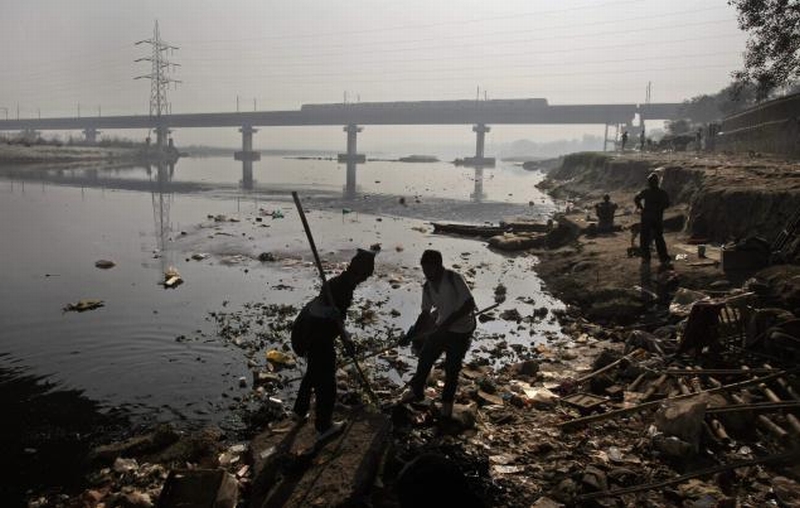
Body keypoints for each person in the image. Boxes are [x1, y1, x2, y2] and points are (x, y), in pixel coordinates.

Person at [292, 248, 375, 442]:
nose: (363, 280)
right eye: (364, 276)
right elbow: (325, 313)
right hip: (315, 334)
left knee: (313, 372)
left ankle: (298, 411)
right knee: (327, 382)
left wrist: (345, 337)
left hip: (313, 332)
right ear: (358, 272)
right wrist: (342, 333)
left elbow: (337, 319)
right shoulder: (340, 287)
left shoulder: (342, 283)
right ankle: (324, 426)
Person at [400, 250, 476, 418]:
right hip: (441, 328)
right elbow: (425, 314)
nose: (427, 274)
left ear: (439, 266)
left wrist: (448, 323)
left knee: (452, 369)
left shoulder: (453, 278)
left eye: (430, 269)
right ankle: (417, 391)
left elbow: (470, 304)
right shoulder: (427, 286)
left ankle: (447, 407)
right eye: (424, 270)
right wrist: (410, 335)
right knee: (425, 357)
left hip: (461, 331)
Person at [634, 172, 671, 266]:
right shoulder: (662, 193)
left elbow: (636, 198)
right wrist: (659, 208)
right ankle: (663, 257)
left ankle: (646, 256)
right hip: (657, 217)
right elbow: (667, 204)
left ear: (649, 182)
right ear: (658, 182)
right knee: (659, 238)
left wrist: (641, 208)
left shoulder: (646, 192)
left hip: (646, 217)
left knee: (644, 238)